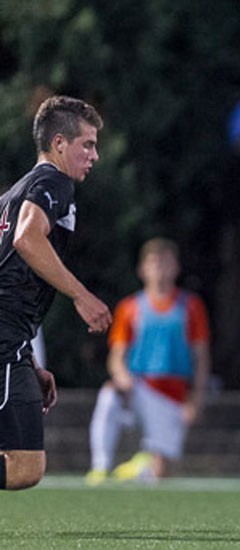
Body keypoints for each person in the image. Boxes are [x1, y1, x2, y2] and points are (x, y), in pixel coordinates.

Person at [0, 95, 111, 490]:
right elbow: (27, 239)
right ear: (59, 143)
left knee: (21, 463)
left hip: (11, 340)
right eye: (88, 144)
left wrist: (27, 361)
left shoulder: (15, 193)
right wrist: (81, 295)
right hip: (5, 337)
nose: (94, 155)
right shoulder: (53, 180)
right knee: (24, 468)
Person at [85, 238, 210, 484]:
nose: (160, 269)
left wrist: (196, 399)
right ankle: (100, 465)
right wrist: (124, 379)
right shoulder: (131, 307)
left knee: (164, 473)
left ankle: (139, 467)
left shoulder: (190, 306)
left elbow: (201, 357)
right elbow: (117, 357)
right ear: (143, 269)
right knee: (109, 393)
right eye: (154, 263)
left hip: (174, 394)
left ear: (176, 268)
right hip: (140, 387)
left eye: (166, 263)